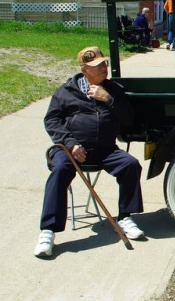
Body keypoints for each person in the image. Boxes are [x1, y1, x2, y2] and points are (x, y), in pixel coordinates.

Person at [34, 46, 144, 258]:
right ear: (84, 69)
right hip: (70, 150)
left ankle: (125, 217)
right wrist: (70, 143)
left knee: (130, 164)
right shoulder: (66, 91)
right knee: (60, 170)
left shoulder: (113, 90)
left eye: (104, 63)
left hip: (105, 149)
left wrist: (108, 99)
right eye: (97, 66)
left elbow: (129, 119)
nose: (103, 68)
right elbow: (52, 120)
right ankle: (48, 231)